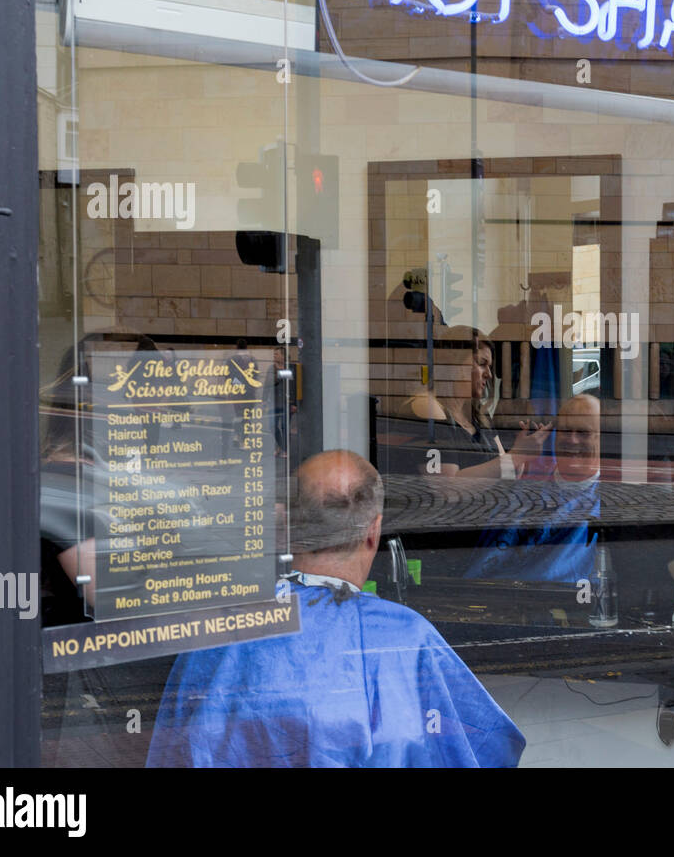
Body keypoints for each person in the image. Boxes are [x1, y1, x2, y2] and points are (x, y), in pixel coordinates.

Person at [146, 450, 526, 767]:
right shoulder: (407, 637)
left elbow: (176, 749)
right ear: (373, 532)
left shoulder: (225, 626)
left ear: (285, 528)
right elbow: (485, 747)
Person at [465, 394, 602, 582]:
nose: (572, 440)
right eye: (565, 431)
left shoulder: (610, 503)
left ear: (602, 438)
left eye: (583, 433)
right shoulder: (522, 494)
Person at [398, 324, 549, 479]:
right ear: (454, 363)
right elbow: (446, 488)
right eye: (482, 364)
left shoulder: (479, 415)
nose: (489, 375)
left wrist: (523, 449)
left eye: (489, 367)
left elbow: (509, 474)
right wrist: (517, 455)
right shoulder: (427, 406)